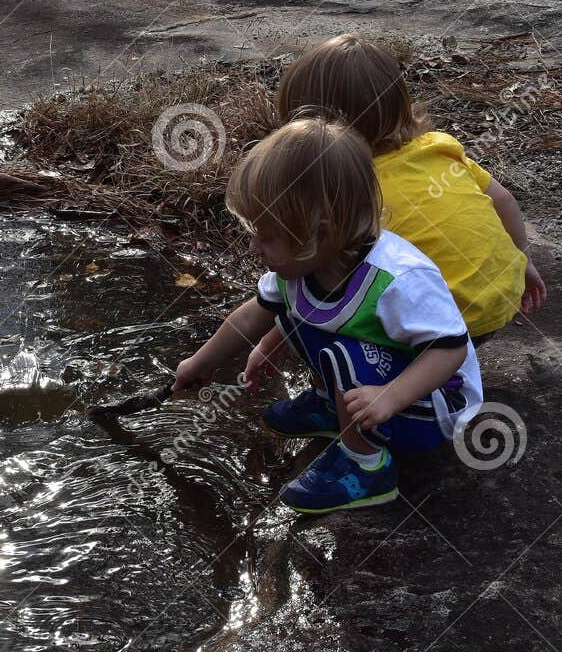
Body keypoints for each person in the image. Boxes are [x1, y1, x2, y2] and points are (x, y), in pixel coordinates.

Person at [171, 116, 482, 514]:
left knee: (341, 353)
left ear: (319, 232)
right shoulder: (301, 267)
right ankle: (329, 404)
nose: (253, 249)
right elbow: (252, 316)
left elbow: (449, 351)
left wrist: (390, 396)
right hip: (377, 377)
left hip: (433, 403)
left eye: (264, 237)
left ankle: (367, 466)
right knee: (290, 320)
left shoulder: (397, 279)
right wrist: (200, 363)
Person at [275, 33, 545, 344]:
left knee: (326, 309)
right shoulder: (439, 148)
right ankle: (448, 372)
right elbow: (504, 199)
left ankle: (398, 381)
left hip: (438, 325)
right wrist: (524, 262)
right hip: (500, 298)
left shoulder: (346, 188)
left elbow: (330, 265)